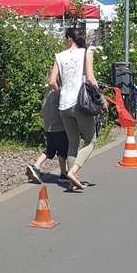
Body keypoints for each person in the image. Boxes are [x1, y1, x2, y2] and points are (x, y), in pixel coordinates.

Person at [49, 27, 106, 192]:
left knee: (72, 142)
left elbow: (52, 81)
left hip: (64, 105)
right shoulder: (86, 53)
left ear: (68, 39)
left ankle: (72, 182)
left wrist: (61, 91)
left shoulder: (59, 56)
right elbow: (90, 78)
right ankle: (73, 172)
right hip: (80, 103)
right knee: (91, 141)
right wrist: (101, 98)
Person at [26, 87, 69, 184]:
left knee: (50, 149)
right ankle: (63, 174)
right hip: (59, 127)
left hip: (48, 127)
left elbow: (43, 110)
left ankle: (36, 165)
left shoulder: (48, 92)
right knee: (62, 151)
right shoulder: (60, 92)